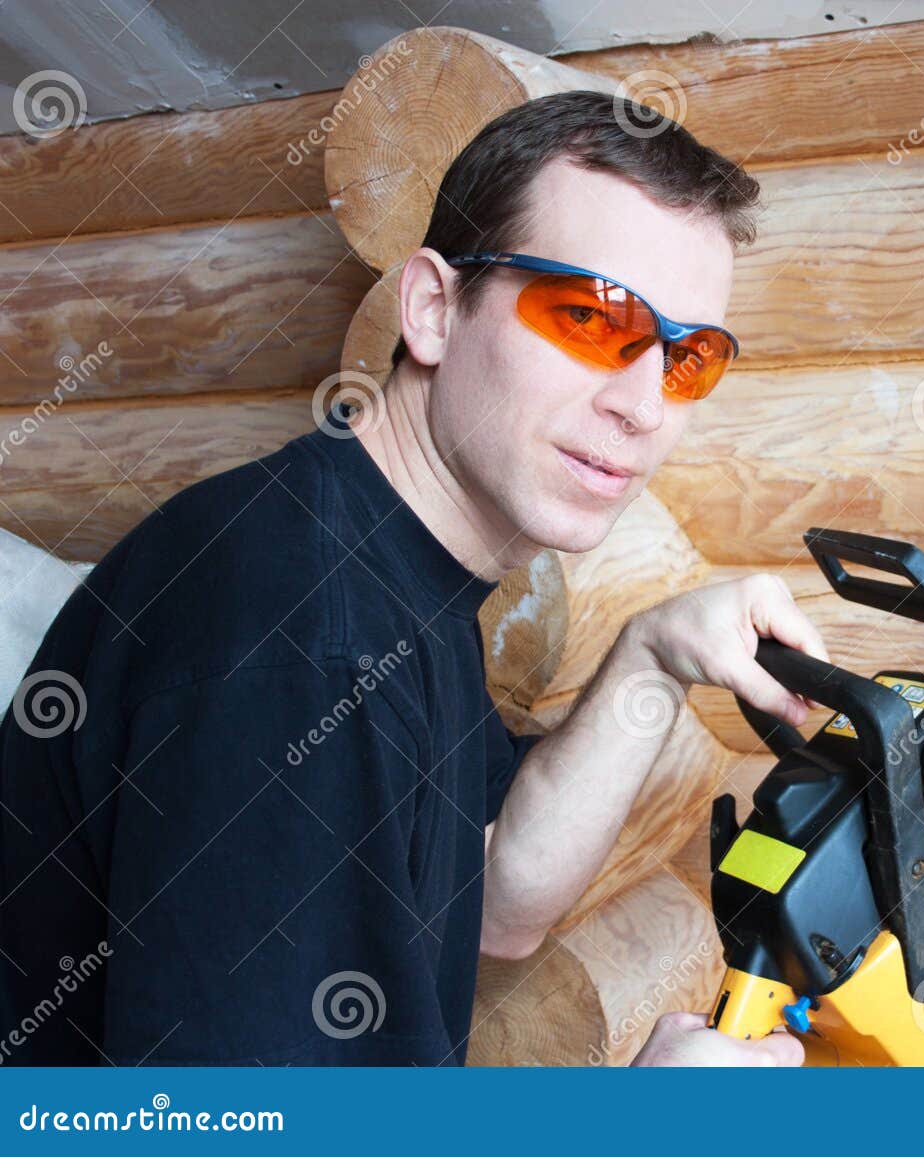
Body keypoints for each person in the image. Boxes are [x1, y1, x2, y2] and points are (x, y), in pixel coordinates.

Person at [0, 90, 814, 1067]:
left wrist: (652, 654)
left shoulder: (398, 569)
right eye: (591, 317)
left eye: (688, 359)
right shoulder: (302, 636)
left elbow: (496, 897)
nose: (643, 405)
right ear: (432, 309)